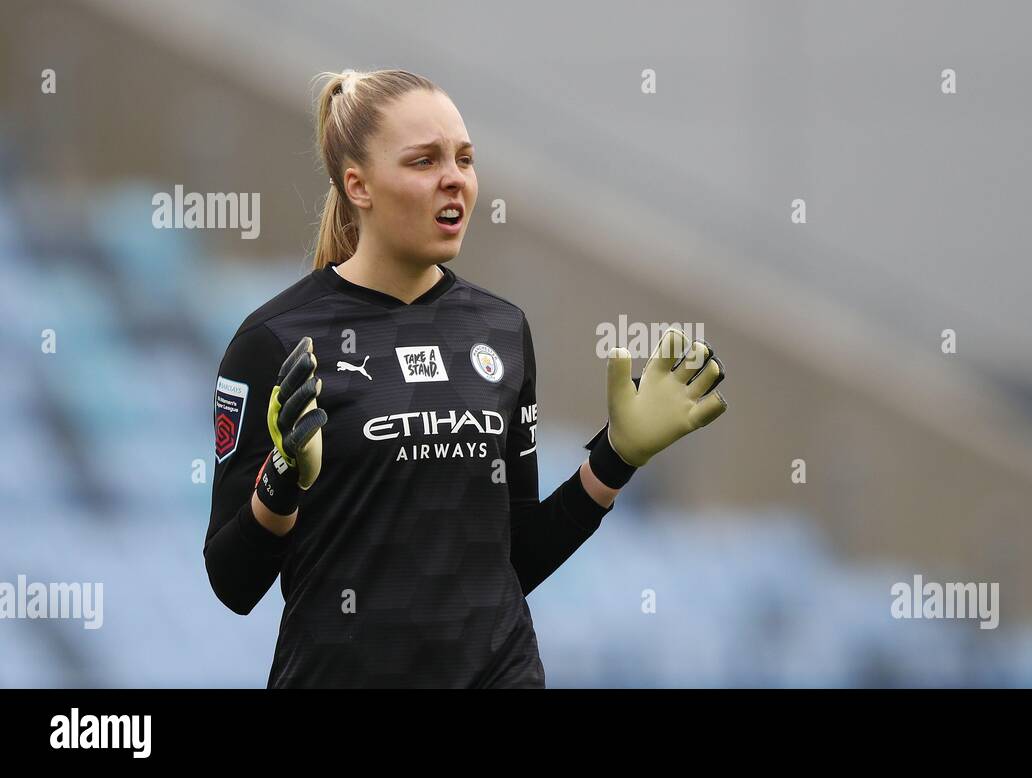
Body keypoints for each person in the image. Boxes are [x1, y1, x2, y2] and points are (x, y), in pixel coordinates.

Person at [203, 68, 728, 687]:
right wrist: (282, 480)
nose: (454, 178)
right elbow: (233, 583)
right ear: (358, 186)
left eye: (465, 158)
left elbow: (514, 559)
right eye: (424, 161)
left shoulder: (501, 330)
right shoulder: (275, 341)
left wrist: (615, 458)